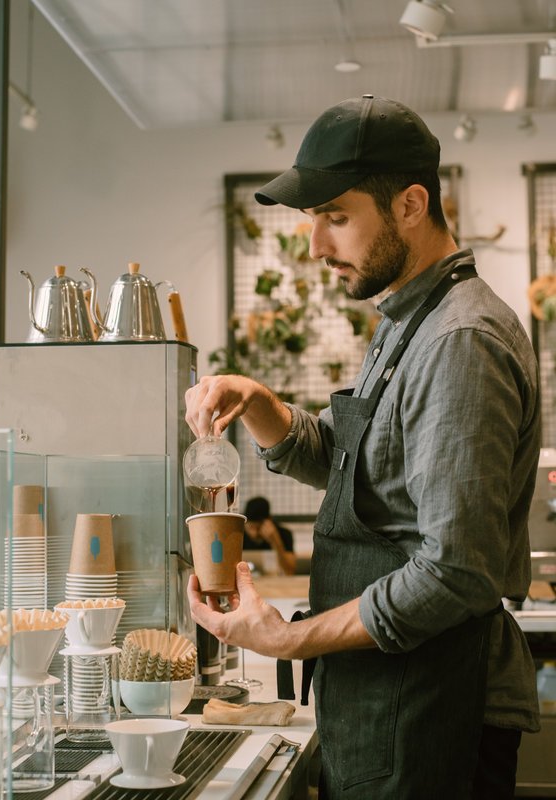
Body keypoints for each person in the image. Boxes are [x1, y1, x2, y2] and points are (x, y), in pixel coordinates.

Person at [185, 95, 540, 799]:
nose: (316, 246)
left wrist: (288, 637)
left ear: (411, 205)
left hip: (436, 711)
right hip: (390, 705)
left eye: (336, 217)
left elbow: (454, 573)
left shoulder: (459, 341)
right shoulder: (409, 321)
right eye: (312, 219)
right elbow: (361, 471)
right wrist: (260, 403)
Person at [242, 495, 296, 575]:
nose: (254, 533)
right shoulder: (239, 535)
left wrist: (275, 541)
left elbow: (289, 571)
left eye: (258, 528)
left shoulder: (284, 534)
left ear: (268, 521)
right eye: (251, 527)